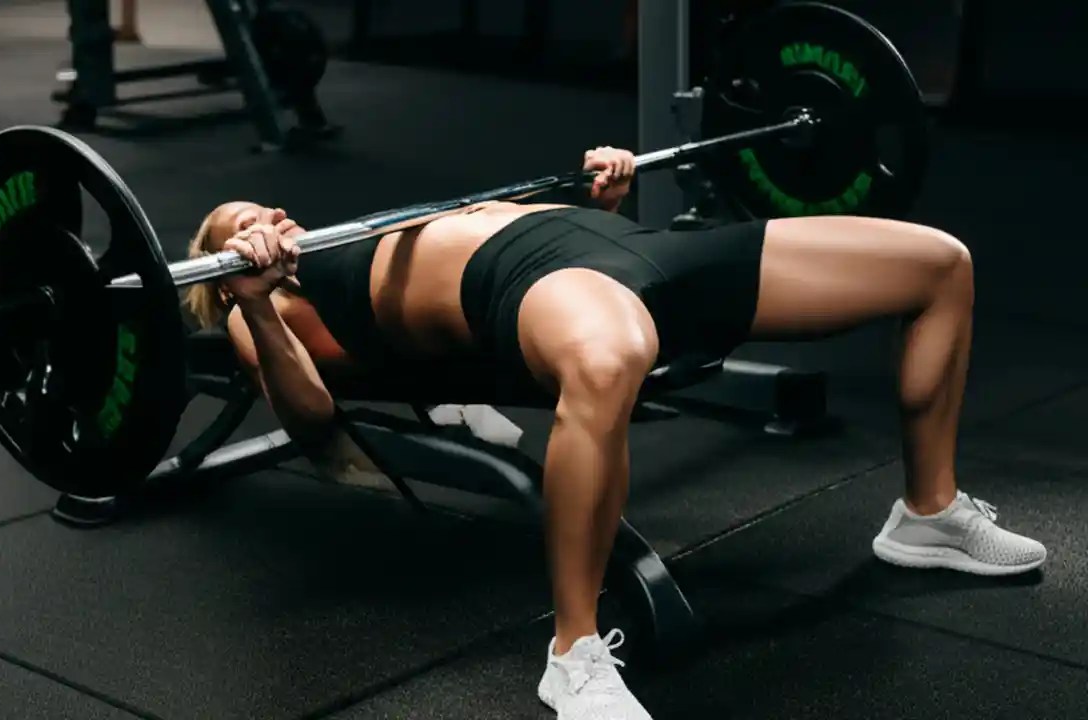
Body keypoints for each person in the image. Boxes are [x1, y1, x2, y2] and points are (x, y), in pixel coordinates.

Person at [184, 147, 1047, 720]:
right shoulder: (270, 309)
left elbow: (505, 214)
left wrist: (602, 192)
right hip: (532, 281)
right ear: (221, 271)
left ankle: (927, 514)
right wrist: (257, 299)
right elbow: (310, 415)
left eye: (267, 206)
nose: (268, 219)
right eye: (239, 228)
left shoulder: (359, 227)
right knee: (610, 357)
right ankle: (575, 652)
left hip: (636, 248)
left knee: (939, 262)